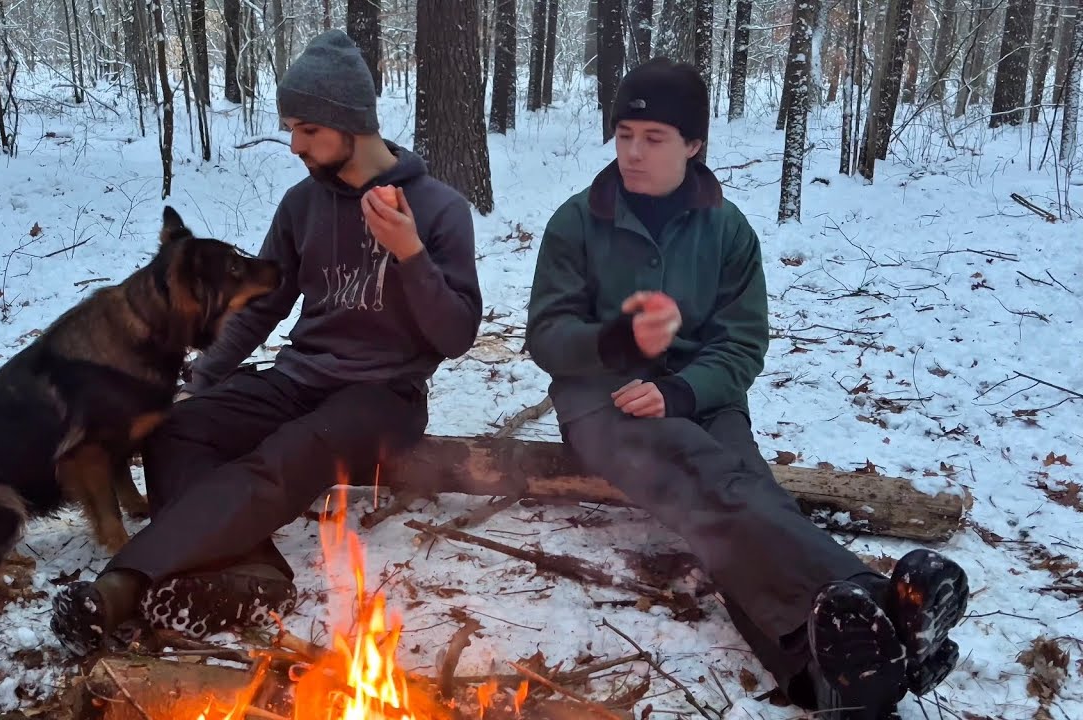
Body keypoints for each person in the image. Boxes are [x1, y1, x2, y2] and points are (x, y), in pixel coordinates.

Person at [525, 57, 969, 719]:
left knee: (744, 492)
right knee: (711, 478)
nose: (634, 152)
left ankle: (831, 676)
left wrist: (681, 390)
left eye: (654, 138)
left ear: (694, 144)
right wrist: (618, 342)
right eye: (624, 135)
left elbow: (741, 344)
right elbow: (547, 335)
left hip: (704, 398)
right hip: (602, 404)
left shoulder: (727, 231)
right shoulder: (578, 222)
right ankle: (869, 596)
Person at [49, 29, 482, 655]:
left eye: (306, 129)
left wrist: (410, 255)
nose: (294, 144)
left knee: (288, 451)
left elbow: (457, 335)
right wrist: (201, 382)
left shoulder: (439, 210)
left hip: (383, 398)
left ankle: (124, 583)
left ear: (348, 124)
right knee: (177, 430)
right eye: (292, 127)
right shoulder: (302, 204)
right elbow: (261, 309)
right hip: (300, 380)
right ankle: (255, 576)